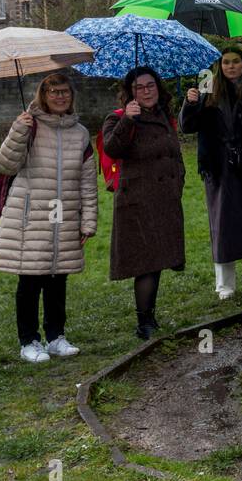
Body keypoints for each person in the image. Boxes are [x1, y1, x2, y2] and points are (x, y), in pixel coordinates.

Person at [0, 72, 98, 363]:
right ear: (43, 96)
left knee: (57, 279)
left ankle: (56, 337)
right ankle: (28, 341)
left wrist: (88, 220)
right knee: (29, 281)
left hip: (64, 216)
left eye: (65, 91)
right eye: (54, 92)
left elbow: (88, 181)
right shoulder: (29, 126)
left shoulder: (81, 133)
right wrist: (18, 131)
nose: (60, 96)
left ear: (71, 96)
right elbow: (4, 164)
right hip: (31, 215)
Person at [102, 66, 186, 340]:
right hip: (138, 202)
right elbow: (113, 149)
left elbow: (172, 153)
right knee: (146, 262)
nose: (147, 91)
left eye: (151, 85)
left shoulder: (163, 115)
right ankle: (144, 323)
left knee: (157, 259)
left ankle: (150, 316)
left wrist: (178, 182)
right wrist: (128, 120)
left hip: (164, 200)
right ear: (130, 92)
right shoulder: (117, 119)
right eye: (139, 87)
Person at [180, 47, 242, 301]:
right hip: (219, 168)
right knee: (223, 226)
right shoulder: (208, 92)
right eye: (226, 62)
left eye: (235, 62)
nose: (230, 66)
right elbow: (187, 126)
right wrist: (191, 102)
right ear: (220, 65)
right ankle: (225, 286)